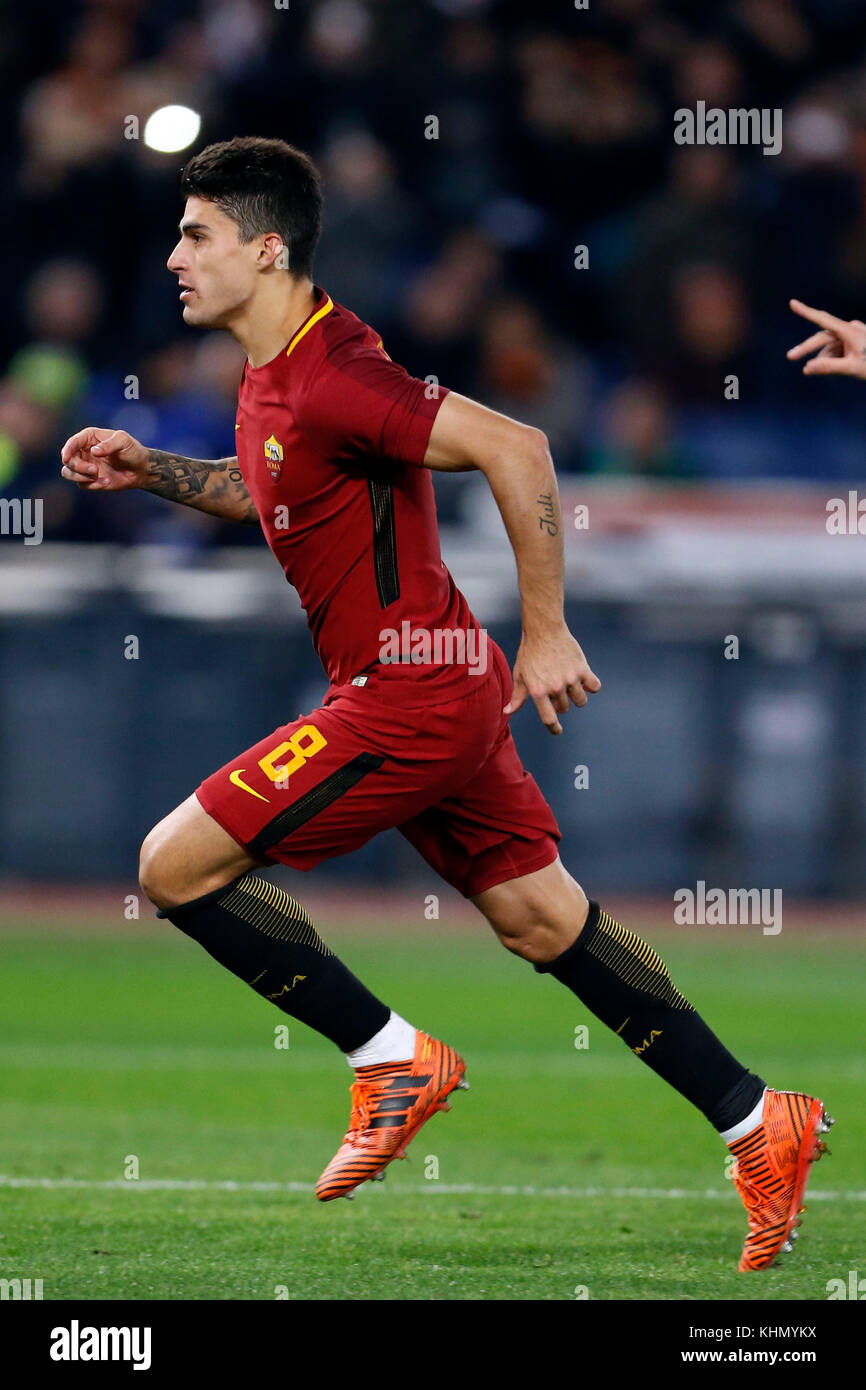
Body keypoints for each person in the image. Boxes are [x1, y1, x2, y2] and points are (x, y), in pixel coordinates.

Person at [61, 138, 832, 1268]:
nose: (175, 256)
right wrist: (151, 467)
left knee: (172, 866)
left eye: (197, 236)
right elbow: (273, 488)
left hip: (407, 695)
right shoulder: (275, 373)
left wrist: (550, 628)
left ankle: (388, 1057)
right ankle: (755, 1117)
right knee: (541, 921)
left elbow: (517, 448)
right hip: (433, 685)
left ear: (265, 250)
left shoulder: (337, 371)